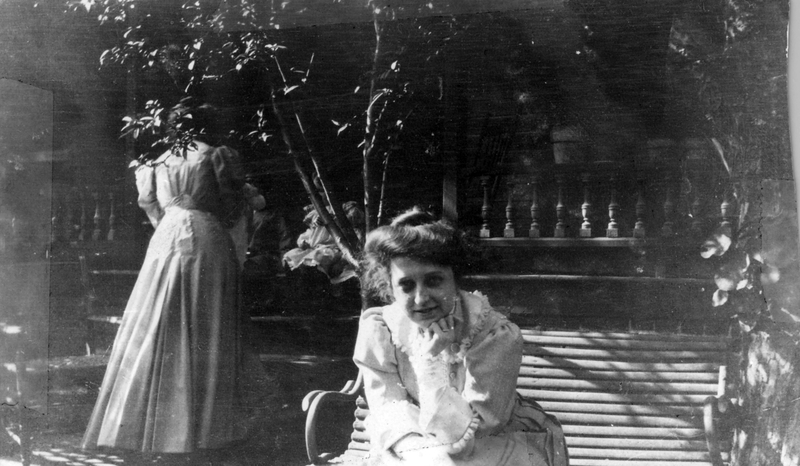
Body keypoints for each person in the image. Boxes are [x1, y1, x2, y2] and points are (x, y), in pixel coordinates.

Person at [81, 102, 261, 454]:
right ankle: (203, 429)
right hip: (206, 238)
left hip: (165, 239)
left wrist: (172, 221)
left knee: (160, 321)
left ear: (171, 129)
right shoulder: (215, 156)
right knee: (205, 323)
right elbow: (230, 209)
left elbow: (150, 206)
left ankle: (150, 427)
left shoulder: (157, 163)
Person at [354, 208, 569, 466]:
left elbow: (475, 431)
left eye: (434, 281)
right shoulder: (382, 328)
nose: (421, 299)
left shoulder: (491, 333)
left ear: (455, 280)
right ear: (390, 287)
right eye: (407, 285)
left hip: (493, 441)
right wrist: (415, 451)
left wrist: (431, 362)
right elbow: (387, 408)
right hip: (417, 444)